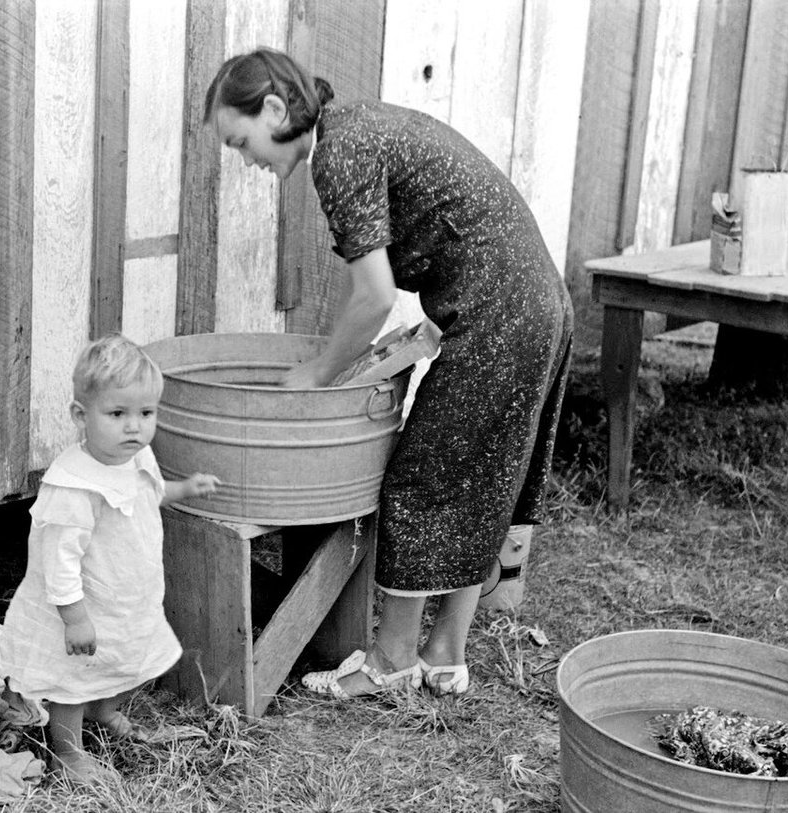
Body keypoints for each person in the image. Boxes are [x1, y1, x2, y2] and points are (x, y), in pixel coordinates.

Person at [204, 49, 572, 698]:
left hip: (500, 309)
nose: (249, 161)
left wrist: (317, 375)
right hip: (536, 299)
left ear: (273, 109)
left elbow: (373, 295)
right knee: (488, 476)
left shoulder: (338, 153)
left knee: (419, 481)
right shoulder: (354, 127)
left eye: (242, 142)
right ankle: (445, 653)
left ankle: (391, 661)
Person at [0, 335, 219, 783]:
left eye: (146, 413)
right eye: (117, 414)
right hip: (83, 602)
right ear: (82, 415)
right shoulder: (74, 486)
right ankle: (68, 750)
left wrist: (182, 489)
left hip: (127, 592)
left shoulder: (136, 455)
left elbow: (147, 493)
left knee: (133, 654)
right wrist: (75, 617)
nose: (134, 427)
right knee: (72, 678)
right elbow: (58, 559)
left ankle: (105, 707)